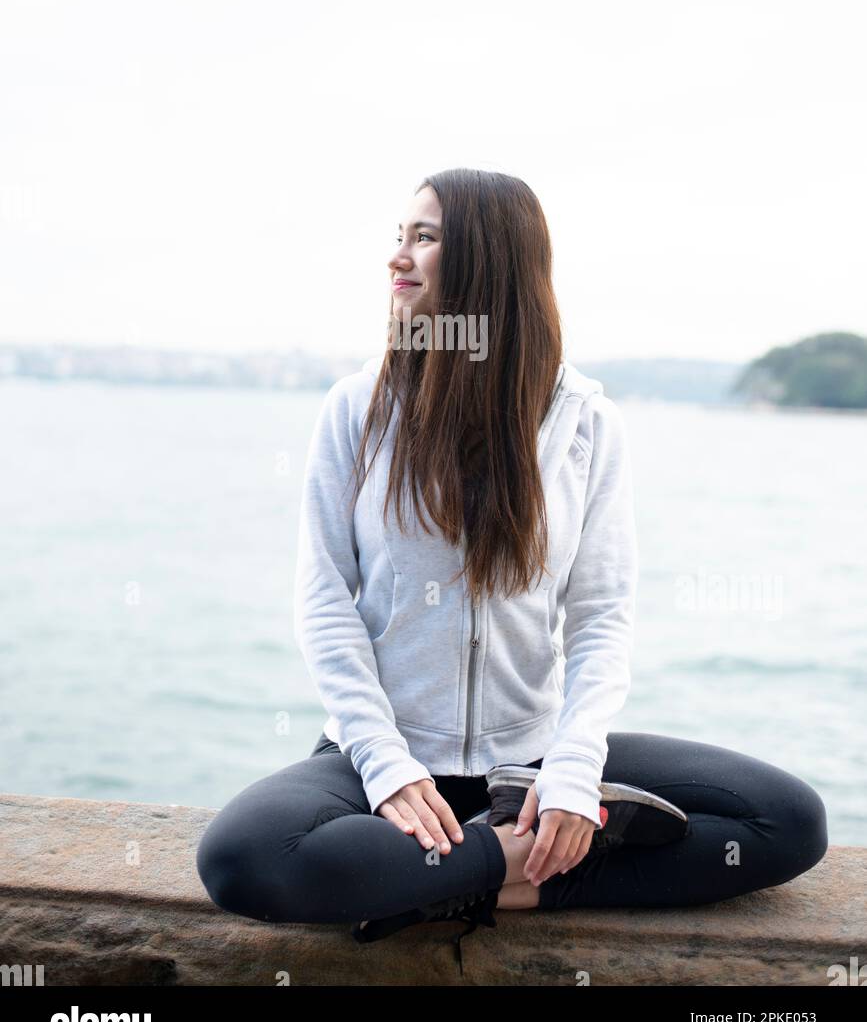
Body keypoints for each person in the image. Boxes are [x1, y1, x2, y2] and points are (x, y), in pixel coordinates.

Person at [196, 169, 828, 960]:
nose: (397, 258)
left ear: (488, 262)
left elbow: (599, 617)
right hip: (381, 756)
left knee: (785, 821)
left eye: (423, 237)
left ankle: (450, 873)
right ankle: (514, 867)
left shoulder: (587, 427)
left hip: (527, 761)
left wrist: (571, 767)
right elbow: (324, 601)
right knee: (244, 857)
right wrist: (386, 766)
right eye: (398, 236)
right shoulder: (357, 410)